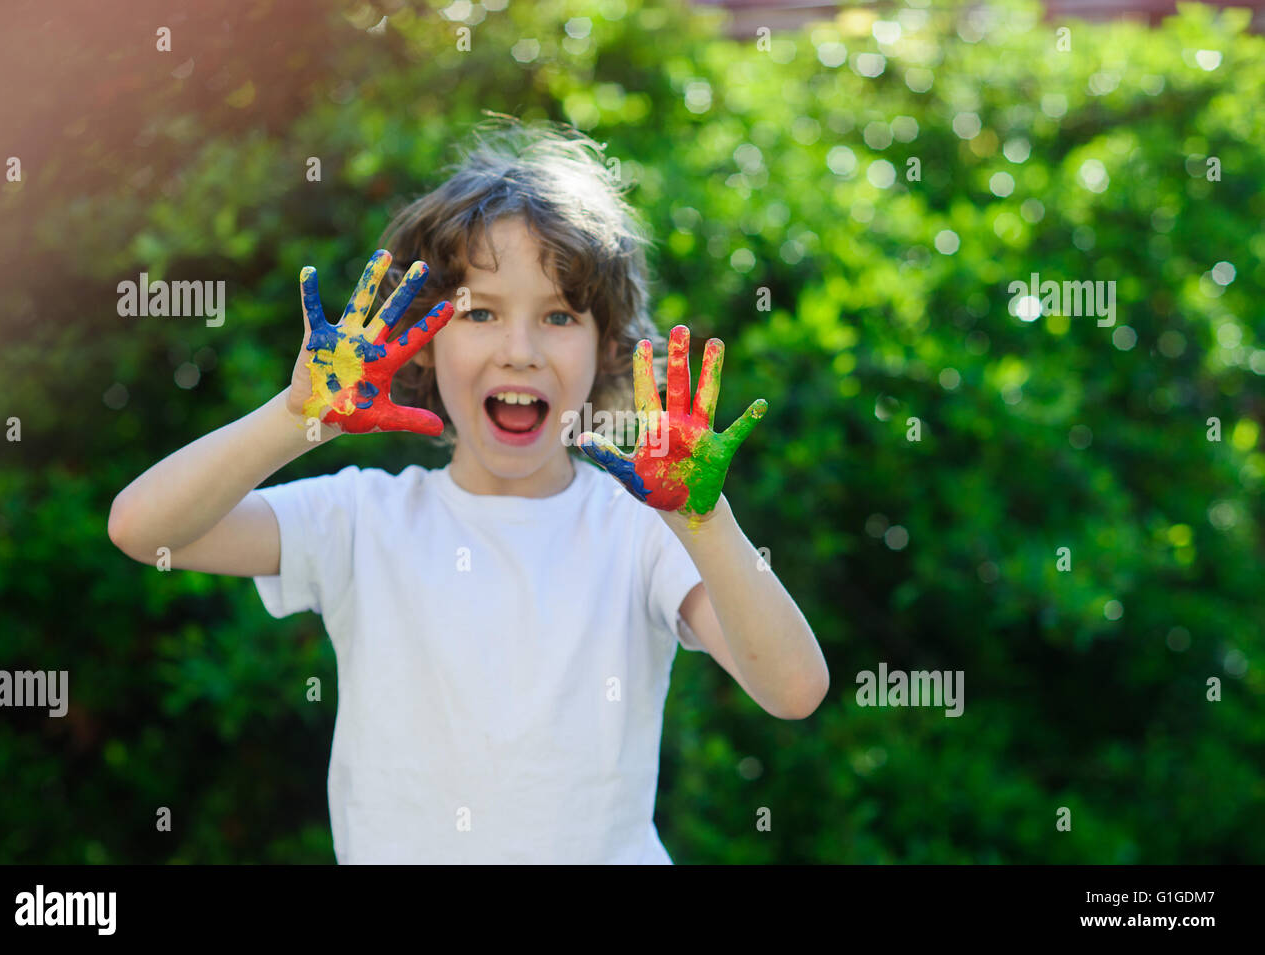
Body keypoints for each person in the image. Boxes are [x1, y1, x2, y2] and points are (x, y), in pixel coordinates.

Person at [108, 116, 827, 863]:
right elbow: (145, 529)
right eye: (480, 313)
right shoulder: (361, 519)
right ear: (419, 340)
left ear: (609, 346)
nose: (519, 351)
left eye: (558, 315)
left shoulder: (640, 530)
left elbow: (792, 688)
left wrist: (704, 523)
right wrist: (298, 419)